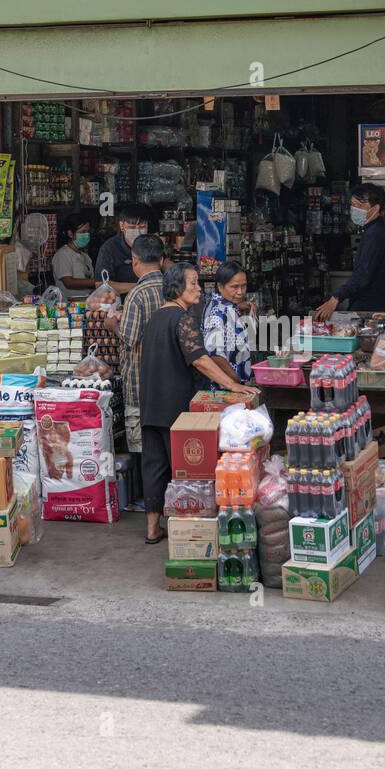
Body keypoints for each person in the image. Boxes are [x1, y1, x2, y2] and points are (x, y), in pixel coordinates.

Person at [139, 264, 261, 543]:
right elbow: (201, 359)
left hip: (151, 402)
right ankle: (192, 532)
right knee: (187, 470)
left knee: (154, 465)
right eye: (192, 283)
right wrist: (233, 385)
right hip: (174, 406)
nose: (198, 288)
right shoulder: (182, 319)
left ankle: (152, 529)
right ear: (177, 288)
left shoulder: (157, 317)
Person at [108, 234, 166, 508]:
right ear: (162, 260)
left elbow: (129, 337)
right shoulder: (172, 287)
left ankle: (146, 499)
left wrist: (112, 324)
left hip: (140, 382)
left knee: (144, 446)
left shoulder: (137, 294)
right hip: (168, 382)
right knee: (165, 444)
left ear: (135, 261)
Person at [313, 182, 385, 320]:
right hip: (373, 306)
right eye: (352, 204)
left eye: (359, 205)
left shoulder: (374, 234)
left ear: (375, 208)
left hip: (369, 310)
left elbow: (363, 275)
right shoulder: (376, 229)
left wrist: (336, 298)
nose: (354, 209)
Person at [201, 261, 256, 387]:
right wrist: (235, 381)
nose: (240, 292)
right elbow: (214, 354)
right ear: (220, 287)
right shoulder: (217, 314)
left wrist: (239, 306)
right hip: (225, 388)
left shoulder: (223, 304)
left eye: (243, 286)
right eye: (234, 287)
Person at [94, 203, 152, 294]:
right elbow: (100, 284)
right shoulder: (109, 248)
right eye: (132, 227)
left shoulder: (151, 243)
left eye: (142, 227)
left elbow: (164, 262)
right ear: (122, 226)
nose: (137, 231)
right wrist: (139, 287)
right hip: (120, 303)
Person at [50, 215, 97, 299]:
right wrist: (96, 282)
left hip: (87, 302)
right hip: (69, 304)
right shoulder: (63, 255)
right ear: (70, 233)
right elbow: (69, 283)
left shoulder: (85, 256)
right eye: (82, 232)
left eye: (88, 232)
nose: (86, 235)